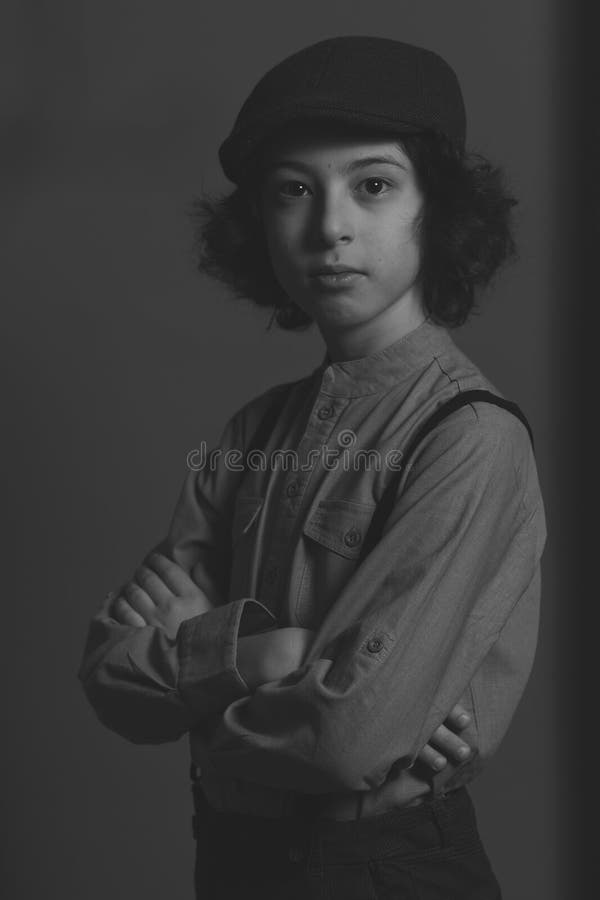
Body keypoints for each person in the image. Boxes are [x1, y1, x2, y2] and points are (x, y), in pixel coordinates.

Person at [78, 36, 546, 899]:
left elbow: (346, 744)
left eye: (373, 186)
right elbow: (108, 678)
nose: (329, 226)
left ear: (435, 209)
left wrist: (202, 664)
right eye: (292, 190)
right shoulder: (250, 431)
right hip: (228, 862)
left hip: (385, 872)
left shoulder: (468, 437)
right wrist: (267, 659)